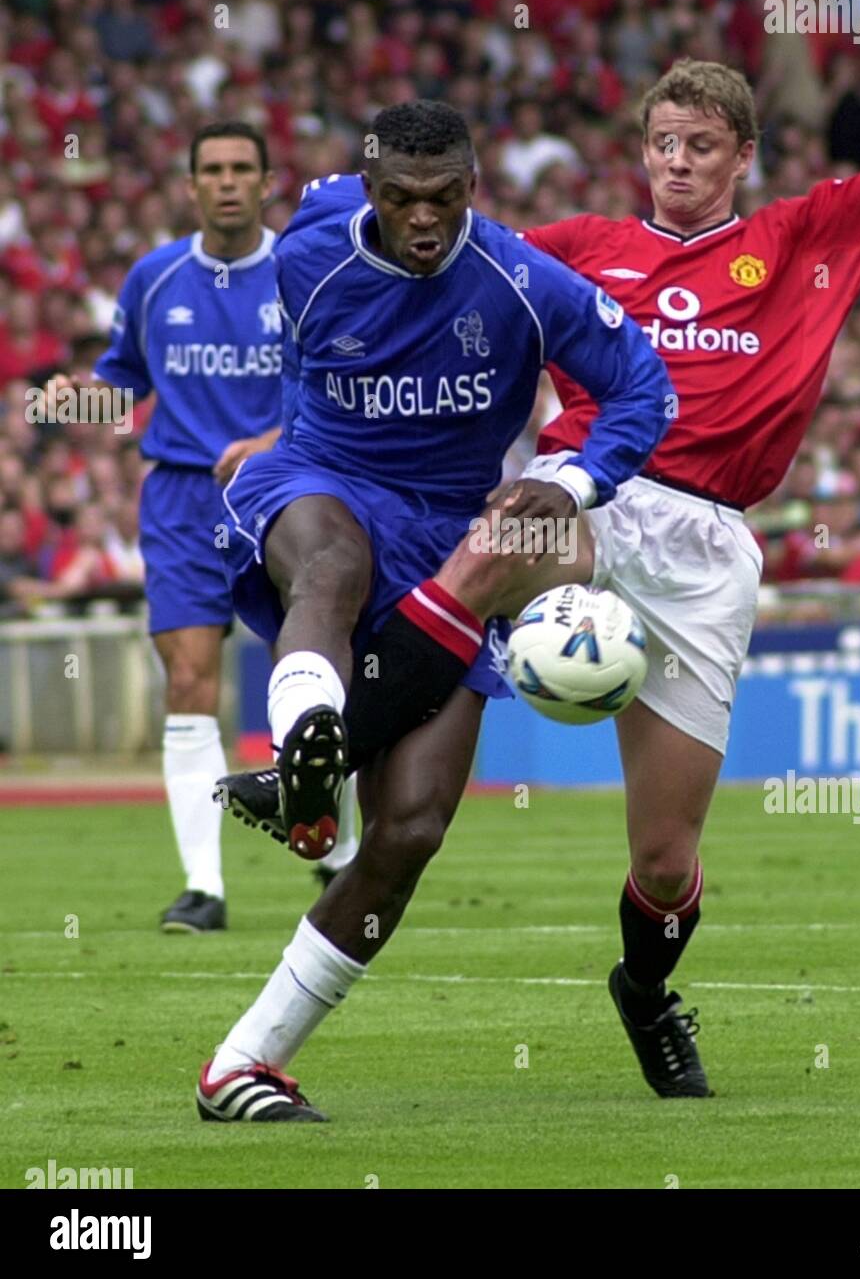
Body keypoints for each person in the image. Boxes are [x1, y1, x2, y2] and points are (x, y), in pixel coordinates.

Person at [224, 0, 860, 1102]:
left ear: (743, 155)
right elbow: (428, 288)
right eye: (660, 144)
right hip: (587, 491)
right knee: (507, 540)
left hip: (706, 545)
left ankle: (643, 991)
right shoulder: (579, 250)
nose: (675, 164)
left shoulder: (808, 237)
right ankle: (308, 767)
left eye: (698, 146)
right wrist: (296, 436)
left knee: (663, 859)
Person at [195, 99, 671, 1121]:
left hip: (447, 544)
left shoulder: (521, 283)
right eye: (403, 198)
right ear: (369, 189)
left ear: (474, 187)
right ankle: (307, 747)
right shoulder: (316, 237)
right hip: (320, 481)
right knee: (325, 570)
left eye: (444, 198)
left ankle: (243, 1063)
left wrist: (575, 480)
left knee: (410, 827)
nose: (424, 219)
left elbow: (642, 385)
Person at [81, 120, 357, 931]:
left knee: (308, 667)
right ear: (191, 184)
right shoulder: (153, 279)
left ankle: (334, 855)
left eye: (243, 168)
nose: (229, 181)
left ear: (268, 181)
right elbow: (120, 380)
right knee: (192, 679)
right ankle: (205, 889)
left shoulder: (303, 271)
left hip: (291, 488)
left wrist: (274, 438)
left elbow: (341, 378)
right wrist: (76, 396)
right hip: (182, 499)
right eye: (214, 170)